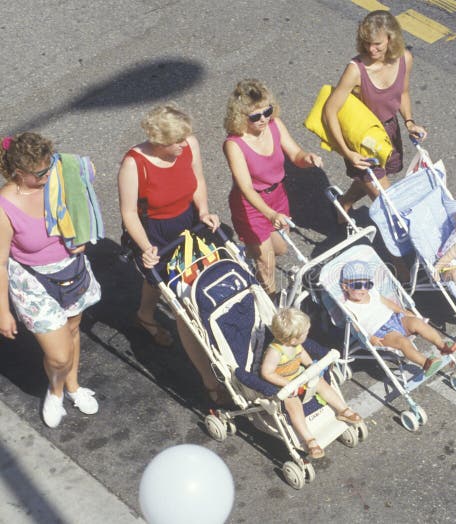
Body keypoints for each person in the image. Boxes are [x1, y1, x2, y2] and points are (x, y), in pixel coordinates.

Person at [117, 104, 226, 403]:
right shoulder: (134, 164)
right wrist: (146, 248)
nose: (184, 144)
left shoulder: (188, 144)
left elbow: (198, 180)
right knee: (183, 305)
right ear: (159, 142)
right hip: (156, 233)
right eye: (177, 141)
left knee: (182, 281)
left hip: (188, 222)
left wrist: (203, 211)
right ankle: (210, 382)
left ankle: (144, 314)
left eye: (185, 138)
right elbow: (129, 213)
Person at [0, 132, 101, 428]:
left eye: (50, 165)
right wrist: (3, 311)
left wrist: (83, 234)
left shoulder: (58, 176)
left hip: (72, 270)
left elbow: (87, 180)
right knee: (58, 356)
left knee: (72, 330)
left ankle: (73, 387)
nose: (47, 174)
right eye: (41, 172)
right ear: (19, 173)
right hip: (34, 282)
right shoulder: (4, 206)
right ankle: (56, 391)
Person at [323, 9, 427, 218]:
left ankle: (343, 203)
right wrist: (347, 152)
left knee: (376, 178)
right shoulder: (356, 70)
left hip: (389, 131)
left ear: (391, 38)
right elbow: (329, 111)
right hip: (363, 140)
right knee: (390, 204)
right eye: (367, 43)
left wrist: (409, 122)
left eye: (377, 44)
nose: (371, 49)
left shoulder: (405, 59)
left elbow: (403, 93)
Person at [223, 79, 323, 296]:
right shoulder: (234, 144)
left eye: (267, 112)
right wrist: (270, 214)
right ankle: (271, 302)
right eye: (255, 116)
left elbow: (296, 155)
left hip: (278, 197)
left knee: (281, 248)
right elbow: (246, 188)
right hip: (251, 206)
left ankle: (248, 251)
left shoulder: (274, 125)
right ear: (240, 116)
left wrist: (308, 158)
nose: (264, 119)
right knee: (266, 265)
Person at [260, 308, 362, 460]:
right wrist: (287, 384)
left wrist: (310, 366)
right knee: (293, 405)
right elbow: (267, 373)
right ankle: (309, 439)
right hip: (284, 384)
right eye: (305, 333)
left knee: (321, 383)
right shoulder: (274, 352)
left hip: (299, 376)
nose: (307, 334)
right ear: (293, 339)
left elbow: (301, 354)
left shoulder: (295, 345)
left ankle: (343, 410)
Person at [340, 260, 456, 379]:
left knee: (418, 323)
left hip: (395, 318)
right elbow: (356, 328)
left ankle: (442, 346)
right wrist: (369, 338)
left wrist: (402, 311)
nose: (363, 289)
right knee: (403, 342)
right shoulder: (348, 307)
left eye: (367, 284)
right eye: (357, 285)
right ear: (345, 287)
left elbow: (388, 304)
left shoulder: (373, 293)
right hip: (380, 332)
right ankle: (426, 363)